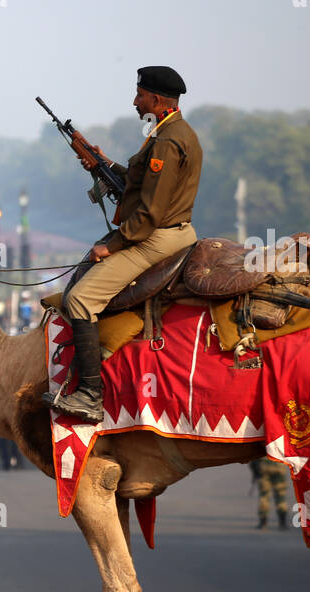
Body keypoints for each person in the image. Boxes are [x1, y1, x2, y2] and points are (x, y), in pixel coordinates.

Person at [45, 66, 203, 422]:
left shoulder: (166, 140)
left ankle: (89, 395)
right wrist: (101, 163)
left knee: (80, 299)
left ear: (157, 100)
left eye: (140, 95)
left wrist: (113, 245)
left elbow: (150, 212)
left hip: (156, 236)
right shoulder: (171, 131)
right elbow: (139, 179)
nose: (135, 102)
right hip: (168, 230)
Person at [251, 458, 290, 530]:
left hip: (264, 468)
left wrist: (253, 467)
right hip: (279, 468)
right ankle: (282, 522)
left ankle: (263, 522)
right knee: (281, 497)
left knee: (264, 496)